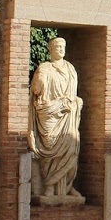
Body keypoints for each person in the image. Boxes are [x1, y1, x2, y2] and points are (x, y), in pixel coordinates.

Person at [29, 35, 83, 201]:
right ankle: (49, 185)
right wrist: (39, 78)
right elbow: (36, 91)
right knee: (49, 149)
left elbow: (73, 93)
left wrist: (75, 102)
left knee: (71, 150)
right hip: (49, 114)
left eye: (62, 47)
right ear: (50, 49)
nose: (60, 49)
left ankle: (67, 186)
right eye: (57, 47)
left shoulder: (70, 68)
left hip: (67, 114)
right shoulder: (44, 68)